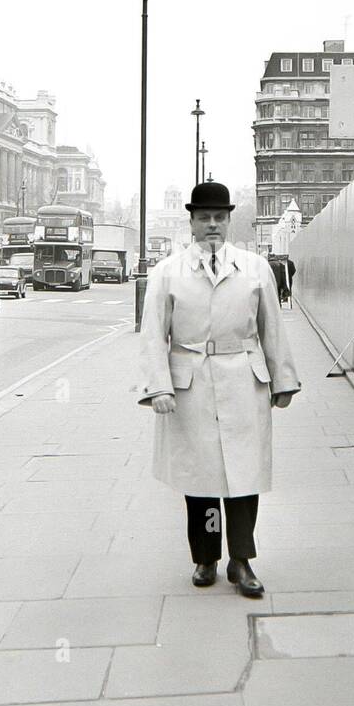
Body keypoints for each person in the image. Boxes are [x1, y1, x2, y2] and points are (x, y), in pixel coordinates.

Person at [139, 181, 301, 598]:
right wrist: (159, 387)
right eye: (204, 218)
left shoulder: (254, 268)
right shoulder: (168, 273)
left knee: (244, 475)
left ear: (229, 222)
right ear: (191, 223)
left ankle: (242, 560)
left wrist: (283, 380)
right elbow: (153, 334)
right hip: (190, 381)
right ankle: (206, 557)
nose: (212, 225)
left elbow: (272, 328)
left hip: (243, 379)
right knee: (202, 478)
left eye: (220, 218)